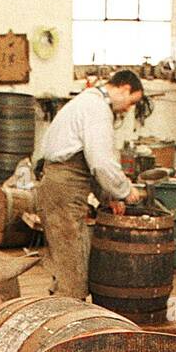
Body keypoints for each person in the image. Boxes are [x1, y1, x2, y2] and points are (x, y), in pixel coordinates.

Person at [36, 69, 145, 299]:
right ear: (124, 88)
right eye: (131, 102)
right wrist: (125, 190)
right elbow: (101, 163)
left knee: (69, 264)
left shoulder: (88, 101)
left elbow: (87, 160)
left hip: (62, 186)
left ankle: (61, 313)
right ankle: (66, 327)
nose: (128, 109)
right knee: (72, 275)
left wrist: (109, 196)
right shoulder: (96, 109)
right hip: (63, 189)